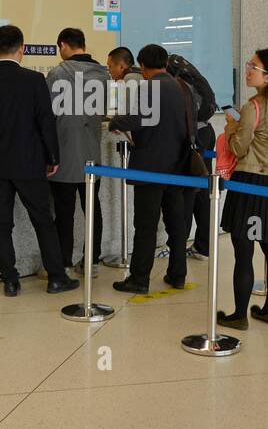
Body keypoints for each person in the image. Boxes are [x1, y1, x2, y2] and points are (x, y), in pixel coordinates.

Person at [0, 25, 80, 297]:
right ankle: (56, 277)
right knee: (43, 220)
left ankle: (10, 281)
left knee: (1, 223)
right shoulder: (34, 80)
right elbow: (46, 123)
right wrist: (53, 156)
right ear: (22, 49)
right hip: (30, 163)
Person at [217, 49, 268, 330]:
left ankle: (239, 315)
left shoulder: (254, 106)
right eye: (249, 64)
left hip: (250, 184)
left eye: (254, 67)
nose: (248, 70)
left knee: (243, 250)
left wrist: (230, 129)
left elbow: (239, 147)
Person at [108, 43, 189, 294]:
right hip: (176, 165)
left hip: (150, 166)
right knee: (175, 223)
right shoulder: (180, 87)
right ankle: (177, 274)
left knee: (145, 224)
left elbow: (138, 120)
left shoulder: (149, 87)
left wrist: (115, 121)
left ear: (142, 66)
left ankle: (139, 279)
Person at [46, 28, 109, 274]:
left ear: (63, 45)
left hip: (63, 153)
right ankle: (92, 261)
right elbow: (102, 113)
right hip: (92, 152)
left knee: (63, 212)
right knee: (93, 209)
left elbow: (47, 115)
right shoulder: (103, 74)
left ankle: (64, 262)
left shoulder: (57, 73)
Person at [169, 53, 217, 263]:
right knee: (201, 193)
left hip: (192, 137)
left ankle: (177, 248)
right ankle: (204, 246)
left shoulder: (178, 84)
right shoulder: (195, 78)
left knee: (186, 194)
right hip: (206, 133)